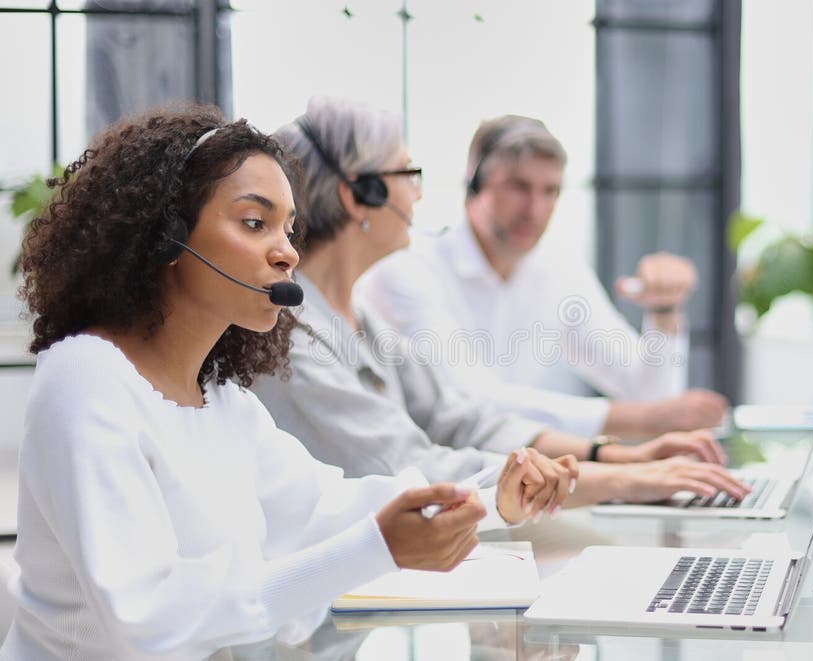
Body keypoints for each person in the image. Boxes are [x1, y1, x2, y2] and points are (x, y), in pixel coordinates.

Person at [0, 105, 572, 660]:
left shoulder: (222, 400)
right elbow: (147, 619)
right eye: (255, 223)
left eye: (289, 229)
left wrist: (489, 498)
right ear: (167, 234)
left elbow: (325, 508)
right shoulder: (87, 380)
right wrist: (376, 547)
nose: (286, 253)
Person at [251, 97, 749, 511]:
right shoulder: (295, 336)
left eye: (551, 191)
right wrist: (620, 480)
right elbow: (410, 466)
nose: (419, 196)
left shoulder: (359, 316)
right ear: (362, 193)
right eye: (409, 174)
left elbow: (461, 418)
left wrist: (614, 457)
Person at [360, 115, 729, 440]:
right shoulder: (408, 268)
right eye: (518, 187)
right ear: (474, 187)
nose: (535, 209)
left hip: (521, 479)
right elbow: (469, 402)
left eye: (550, 191)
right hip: (424, 481)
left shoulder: (557, 271)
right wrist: (638, 419)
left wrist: (665, 311)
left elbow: (650, 397)